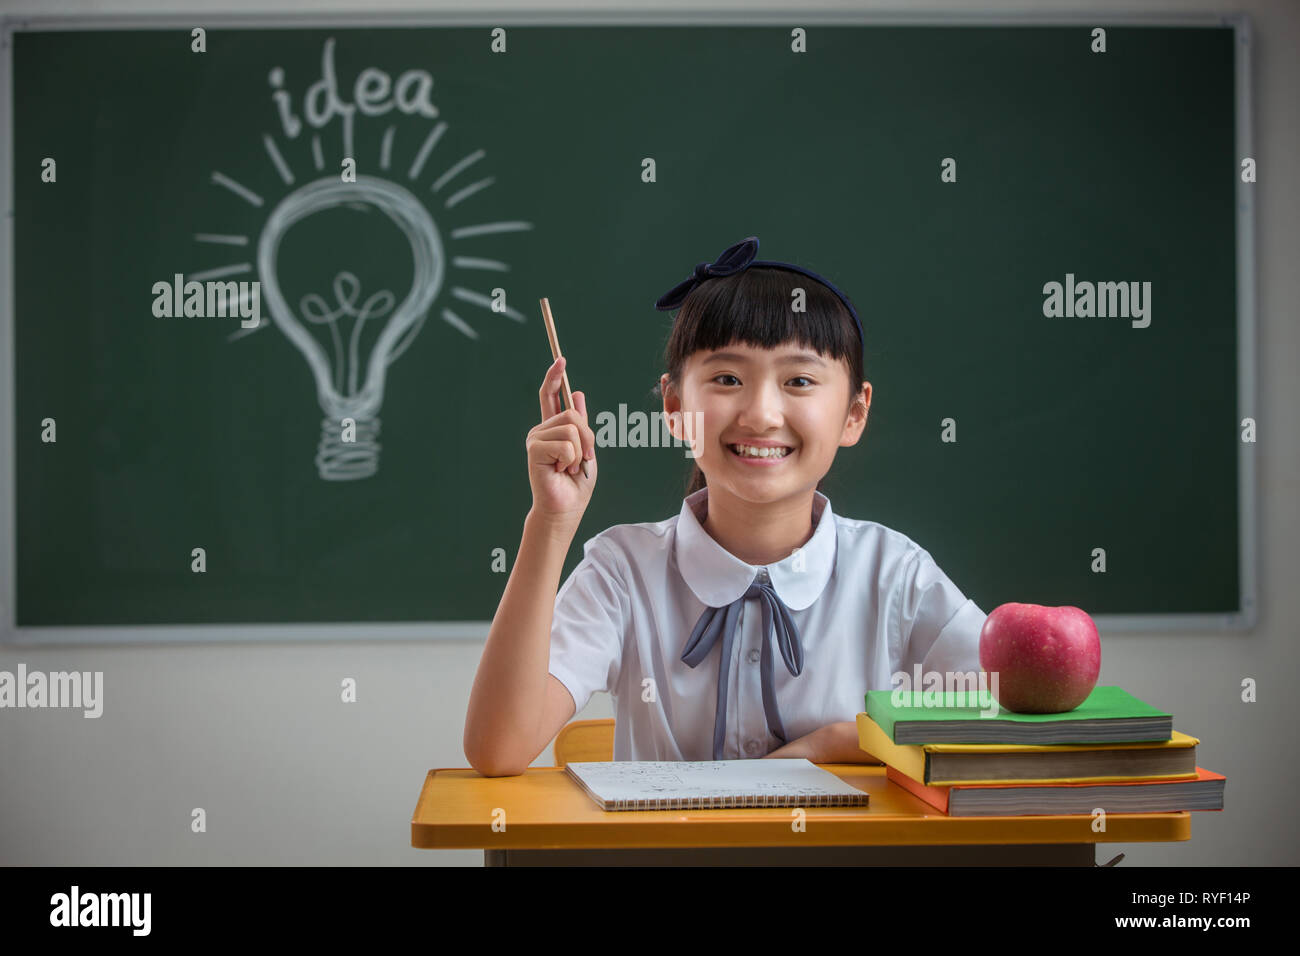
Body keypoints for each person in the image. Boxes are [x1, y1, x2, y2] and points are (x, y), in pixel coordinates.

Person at [464, 236, 986, 775]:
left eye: (799, 381)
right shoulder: (622, 572)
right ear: (673, 406)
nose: (761, 414)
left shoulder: (894, 574)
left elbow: (1011, 714)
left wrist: (840, 740)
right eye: (727, 379)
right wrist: (550, 522)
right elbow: (497, 749)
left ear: (854, 413)